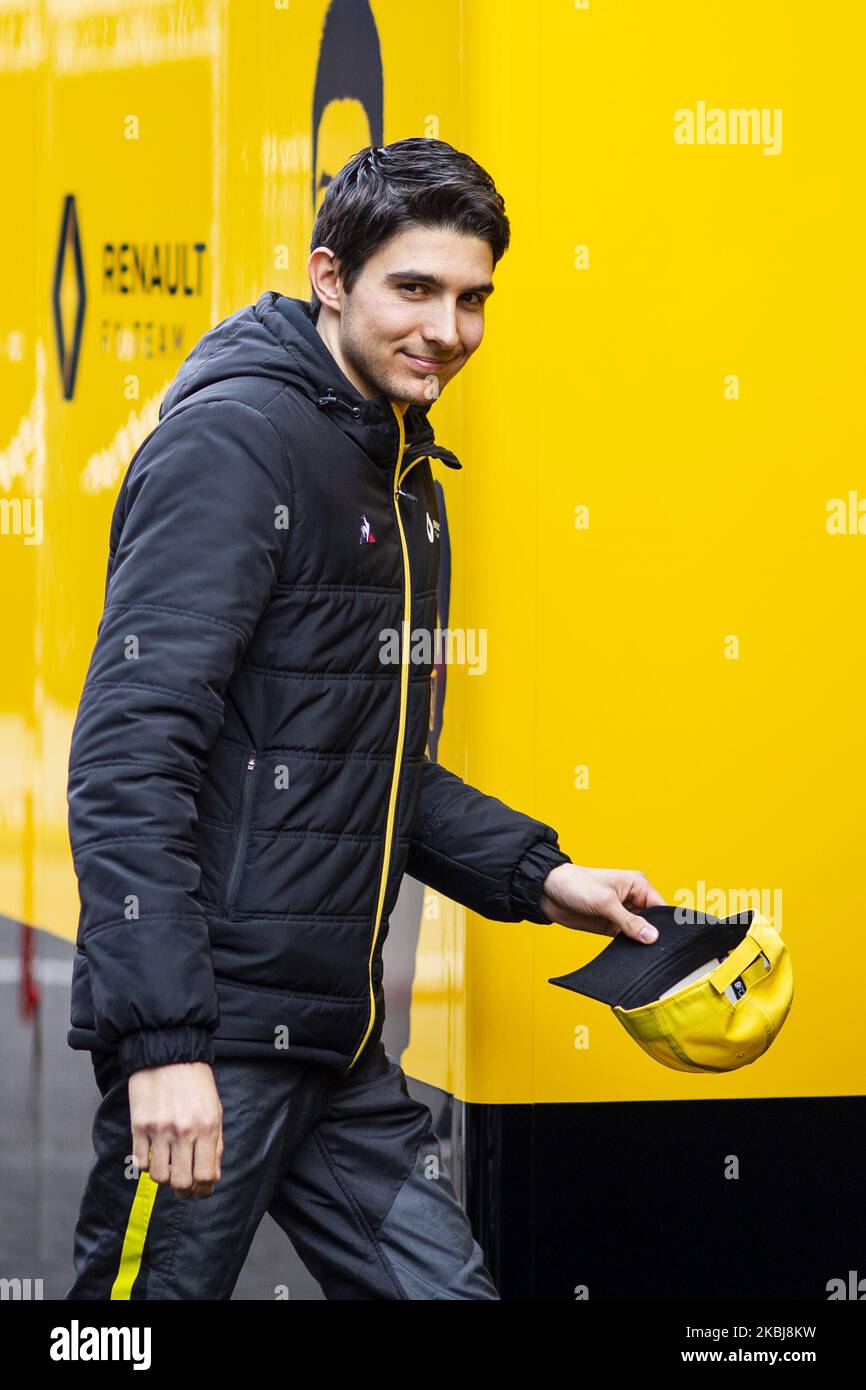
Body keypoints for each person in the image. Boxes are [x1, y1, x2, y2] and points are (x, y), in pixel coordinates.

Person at [65, 138, 664, 1301]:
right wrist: (164, 1046)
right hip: (219, 1043)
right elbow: (128, 759)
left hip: (332, 1043)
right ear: (330, 278)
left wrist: (543, 876)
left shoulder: (397, 470)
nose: (447, 328)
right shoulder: (237, 445)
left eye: (472, 297)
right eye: (415, 289)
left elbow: (362, 757)